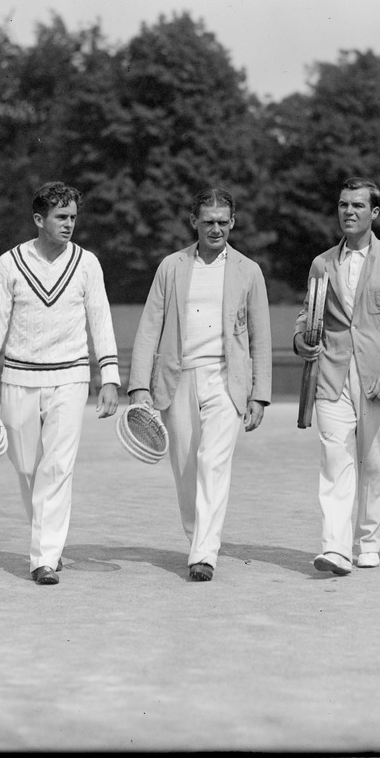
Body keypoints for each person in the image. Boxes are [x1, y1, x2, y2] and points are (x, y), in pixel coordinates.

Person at [0, 181, 120, 587]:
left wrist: (109, 377)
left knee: (57, 467)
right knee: (25, 465)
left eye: (73, 217)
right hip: (18, 377)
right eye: (61, 217)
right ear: (39, 219)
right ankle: (45, 540)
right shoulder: (10, 263)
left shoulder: (87, 263)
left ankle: (44, 558)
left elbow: (101, 319)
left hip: (70, 377)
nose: (69, 224)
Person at [128, 187, 272, 582]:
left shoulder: (249, 270)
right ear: (194, 222)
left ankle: (204, 553)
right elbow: (149, 328)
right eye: (208, 222)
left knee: (213, 460)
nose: (216, 229)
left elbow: (261, 336)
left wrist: (260, 395)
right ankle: (197, 539)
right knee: (186, 468)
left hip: (227, 380)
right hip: (178, 378)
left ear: (233, 223)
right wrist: (140, 386)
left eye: (223, 222)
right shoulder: (170, 266)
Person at [294, 177, 380, 576]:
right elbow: (306, 314)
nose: (349, 212)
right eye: (343, 205)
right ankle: (335, 548)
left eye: (358, 206)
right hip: (331, 374)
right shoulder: (322, 262)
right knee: (335, 460)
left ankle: (368, 542)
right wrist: (301, 339)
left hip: (378, 378)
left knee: (376, 464)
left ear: (375, 212)